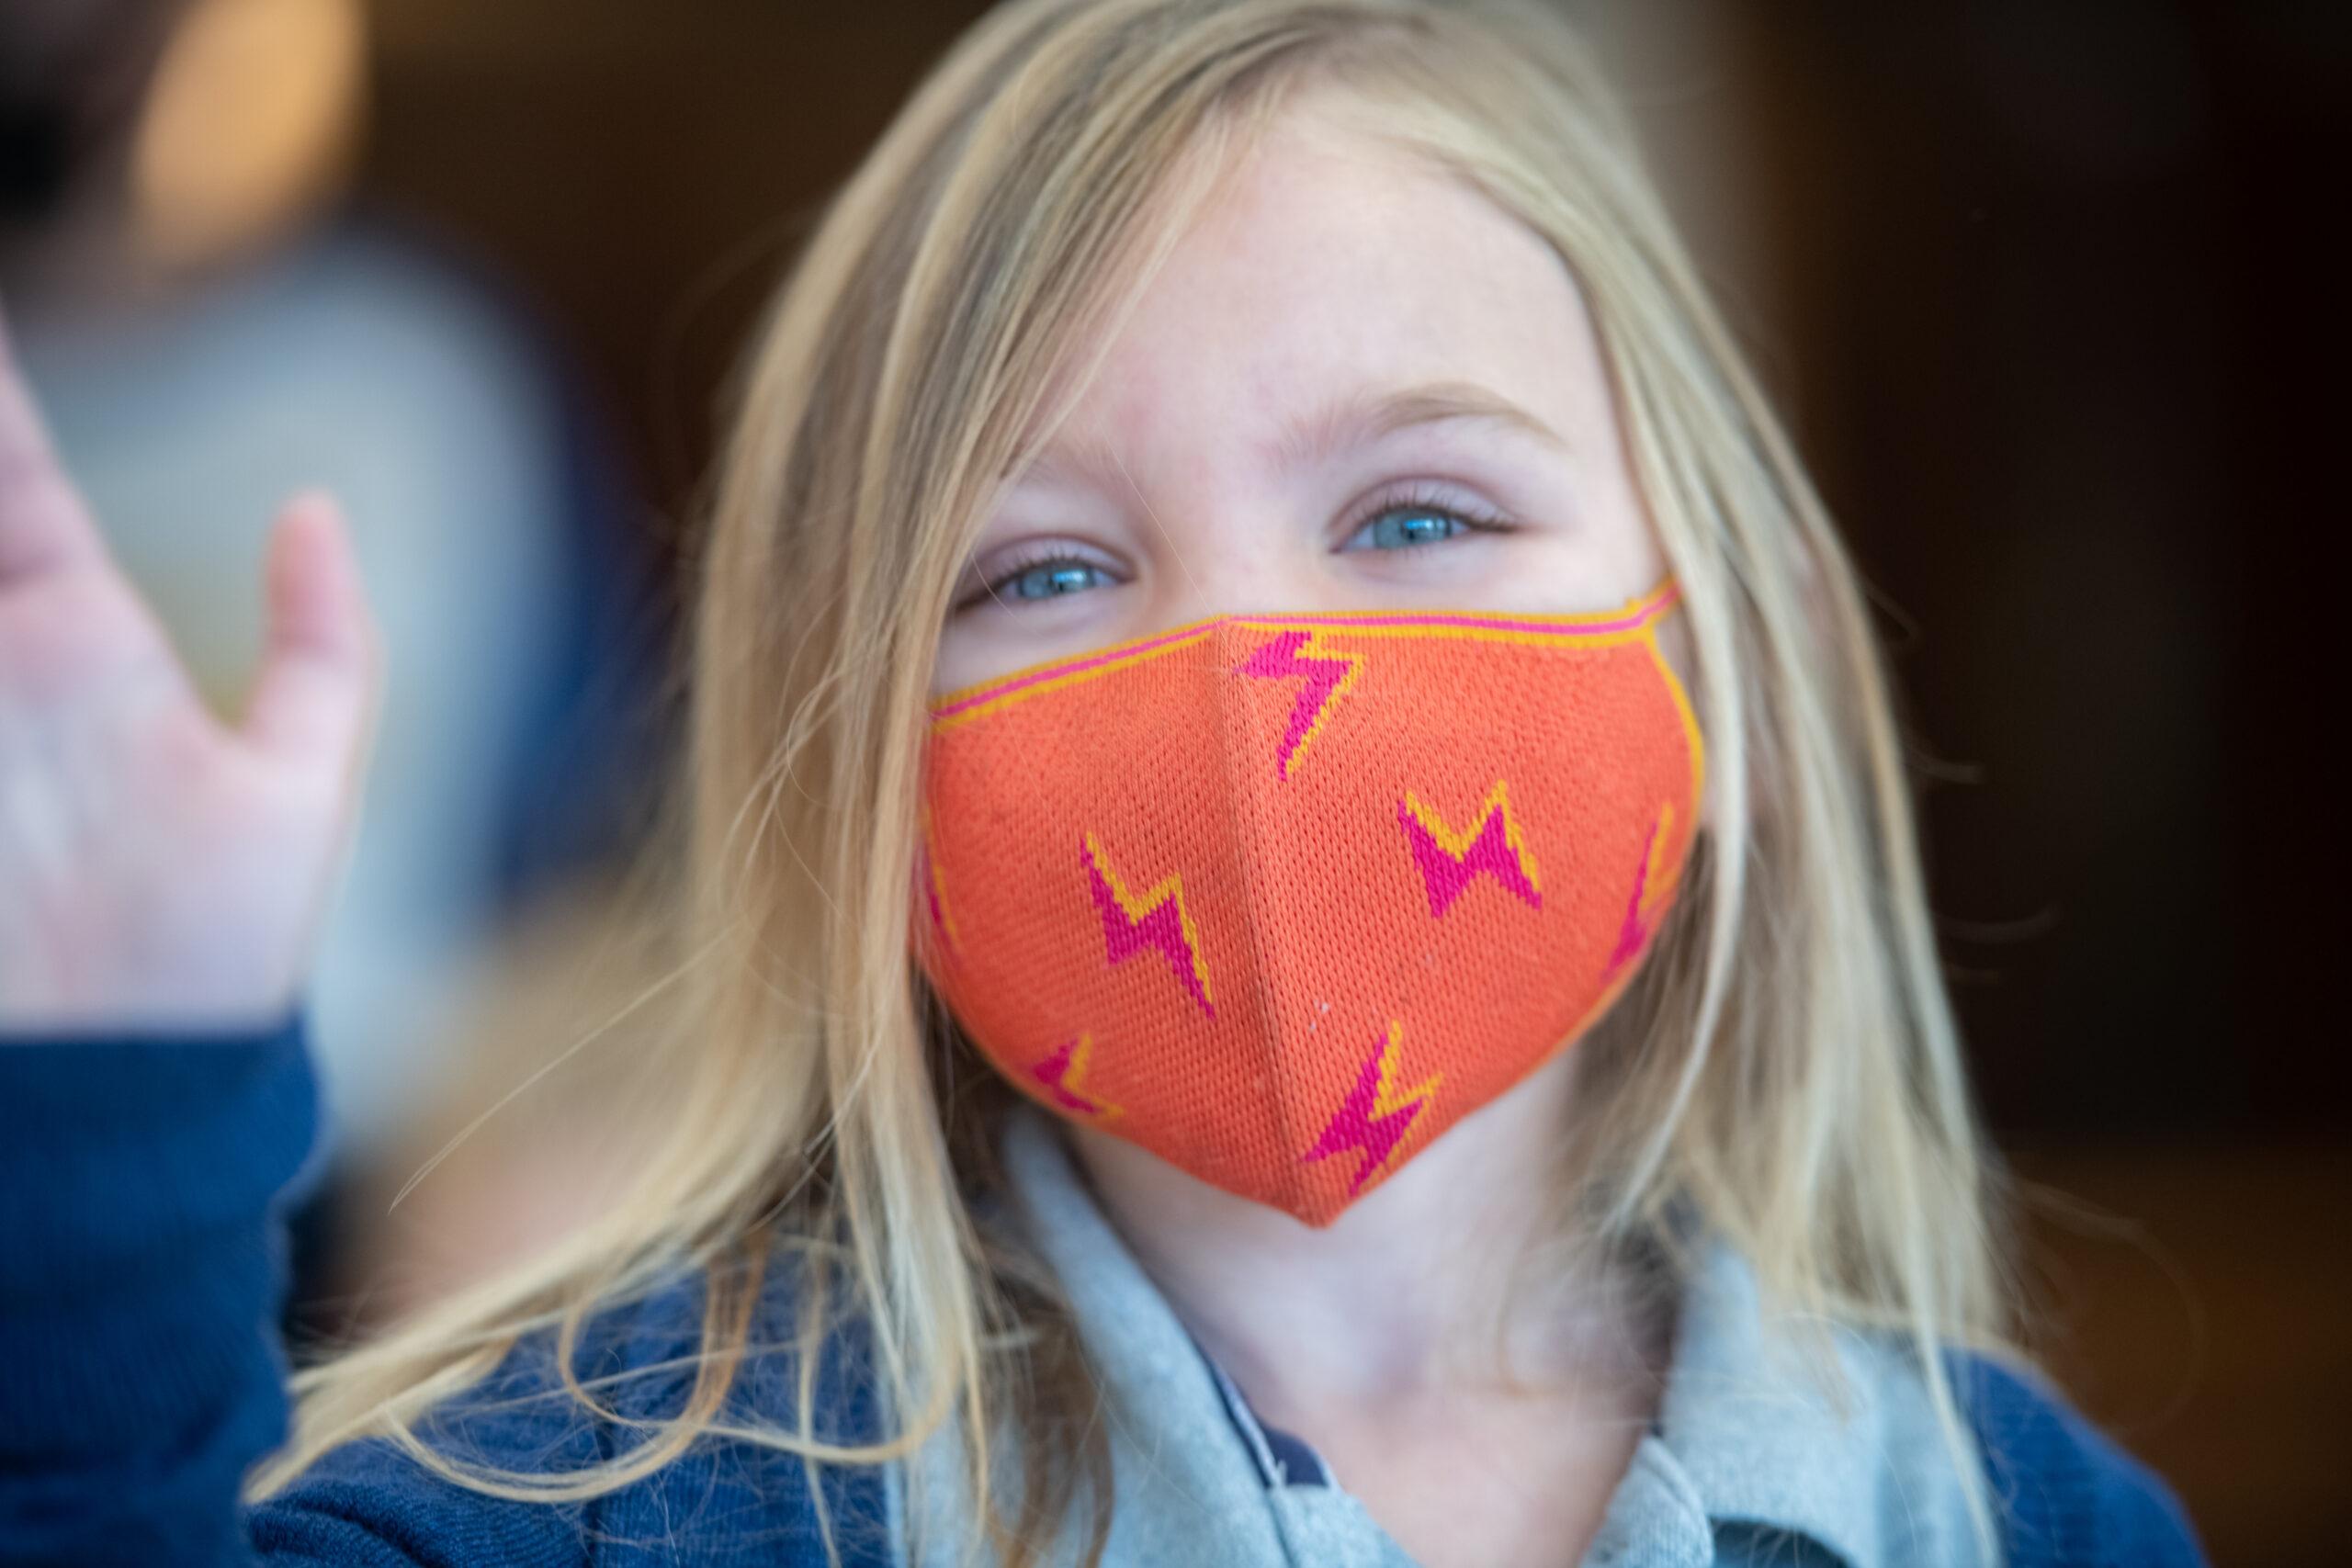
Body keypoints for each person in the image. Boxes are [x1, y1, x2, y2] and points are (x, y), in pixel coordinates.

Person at [0, 0, 2210, 1562]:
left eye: (1418, 513)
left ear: (1744, 653)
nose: (1244, 673)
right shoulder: (605, 1507)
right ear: (848, 783)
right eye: (1040, 569)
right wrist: (101, 1104)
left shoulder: (2013, 1518)